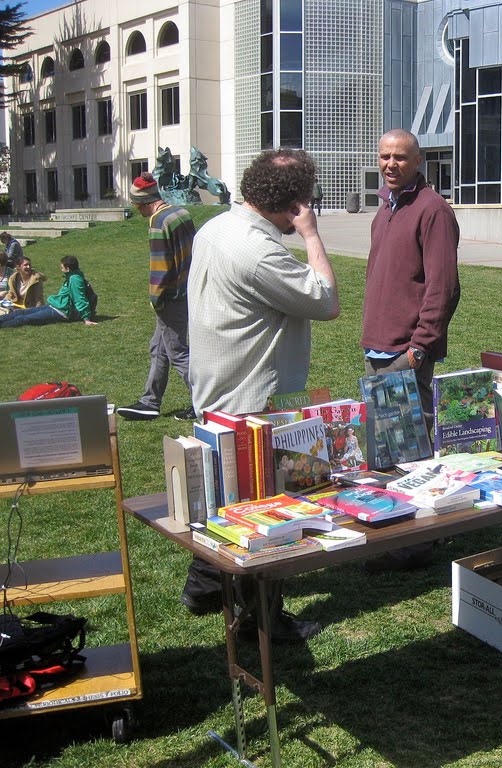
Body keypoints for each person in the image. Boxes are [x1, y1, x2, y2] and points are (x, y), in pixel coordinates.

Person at [181, 149, 339, 642]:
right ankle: (263, 621)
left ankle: (205, 583)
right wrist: (312, 235)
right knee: (263, 510)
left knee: (224, 501)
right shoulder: (258, 250)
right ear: (295, 202)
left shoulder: (216, 227)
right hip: (252, 397)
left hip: (217, 386)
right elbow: (326, 300)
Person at [360, 128, 460, 572]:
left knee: (413, 448)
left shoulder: (433, 210)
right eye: (384, 156)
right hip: (377, 348)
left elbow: (443, 287)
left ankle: (417, 542)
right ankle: (394, 529)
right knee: (386, 446)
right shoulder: (385, 208)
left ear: (419, 161)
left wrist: (420, 348)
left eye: (400, 157)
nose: (391, 164)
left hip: (407, 351)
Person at [116, 173, 198, 422]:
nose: (136, 209)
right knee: (158, 347)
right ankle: (150, 401)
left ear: (143, 202)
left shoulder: (158, 221)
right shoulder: (181, 213)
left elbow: (160, 266)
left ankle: (204, 402)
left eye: (135, 204)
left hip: (170, 296)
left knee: (177, 351)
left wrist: (156, 299)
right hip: (187, 290)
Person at [0, 255, 97, 328]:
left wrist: (86, 318)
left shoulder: (75, 280)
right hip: (55, 306)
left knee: (24, 319)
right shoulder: (73, 276)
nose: (61, 268)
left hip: (61, 311)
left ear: (67, 269)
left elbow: (79, 298)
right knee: (21, 313)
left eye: (62, 267)